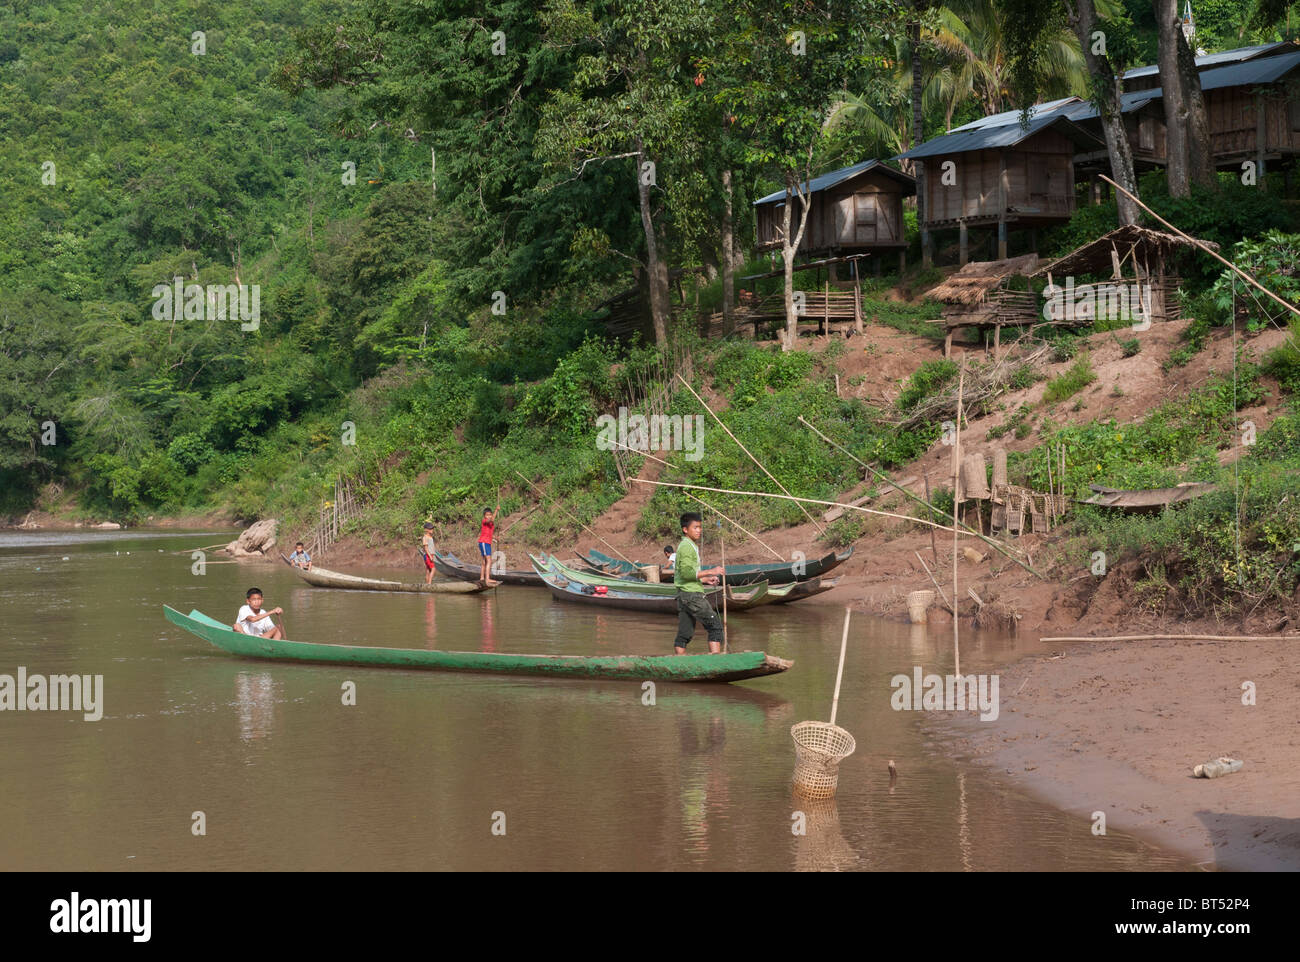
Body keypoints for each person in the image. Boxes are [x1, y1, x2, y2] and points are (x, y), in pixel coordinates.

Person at [673, 512, 725, 655]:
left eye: (700, 527)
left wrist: (705, 580)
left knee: (685, 633)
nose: (699, 530)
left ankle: (680, 663)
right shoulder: (686, 547)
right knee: (715, 626)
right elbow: (686, 573)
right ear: (685, 529)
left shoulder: (688, 545)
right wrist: (711, 571)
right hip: (692, 596)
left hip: (684, 595)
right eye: (695, 527)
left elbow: (686, 575)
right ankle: (716, 661)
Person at [477, 508, 501, 587]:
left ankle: (482, 578)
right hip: (484, 543)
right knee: (489, 560)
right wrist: (496, 511)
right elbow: (491, 520)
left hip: (486, 543)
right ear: (484, 516)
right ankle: (487, 579)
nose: (489, 516)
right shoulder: (485, 521)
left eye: (490, 515)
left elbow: (489, 534)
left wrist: (495, 537)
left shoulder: (491, 524)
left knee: (484, 561)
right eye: (487, 515)